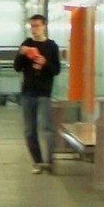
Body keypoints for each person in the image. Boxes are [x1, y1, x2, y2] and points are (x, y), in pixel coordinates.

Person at [14, 14, 62, 173]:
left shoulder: (52, 46)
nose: (34, 30)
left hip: (44, 93)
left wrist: (44, 62)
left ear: (44, 26)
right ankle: (37, 161)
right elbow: (17, 67)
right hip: (28, 93)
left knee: (46, 127)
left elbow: (56, 70)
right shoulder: (27, 44)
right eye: (32, 26)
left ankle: (49, 161)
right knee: (29, 130)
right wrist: (22, 54)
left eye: (37, 26)